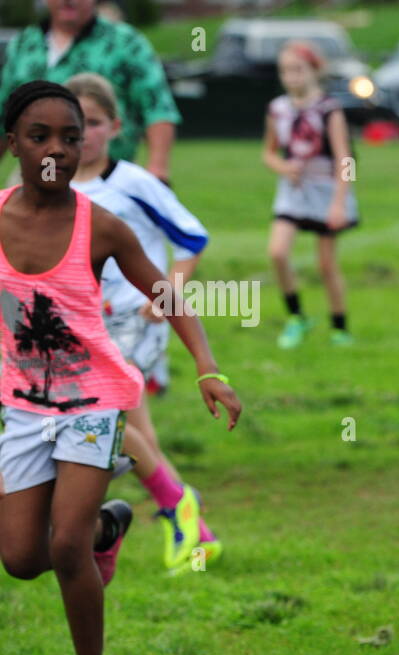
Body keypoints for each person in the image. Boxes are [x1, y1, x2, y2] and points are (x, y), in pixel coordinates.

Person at [0, 81, 239, 655]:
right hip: (21, 407)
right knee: (21, 559)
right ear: (10, 144)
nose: (57, 149)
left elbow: (167, 294)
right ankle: (114, 522)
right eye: (39, 136)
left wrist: (208, 369)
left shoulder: (100, 226)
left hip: (93, 402)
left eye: (71, 138)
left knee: (65, 547)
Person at [65, 72, 221, 573]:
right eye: (72, 124)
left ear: (115, 125)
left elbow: (193, 239)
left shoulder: (135, 183)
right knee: (135, 431)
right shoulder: (44, 184)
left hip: (137, 319)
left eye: (92, 123)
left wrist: (166, 292)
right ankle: (192, 525)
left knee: (105, 415)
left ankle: (174, 506)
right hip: (75, 326)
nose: (82, 134)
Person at [0, 0, 180, 182]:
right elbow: (4, 112)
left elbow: (157, 107)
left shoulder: (125, 42)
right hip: (38, 170)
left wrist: (158, 169)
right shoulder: (23, 44)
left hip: (107, 174)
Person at [263, 41, 358, 349]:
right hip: (293, 191)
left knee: (326, 265)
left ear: (314, 71)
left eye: (297, 70)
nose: (291, 77)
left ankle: (339, 327)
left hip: (326, 190)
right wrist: (282, 166)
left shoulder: (329, 109)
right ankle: (296, 317)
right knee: (277, 252)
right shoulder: (278, 109)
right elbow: (268, 152)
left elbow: (346, 159)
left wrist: (339, 202)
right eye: (285, 71)